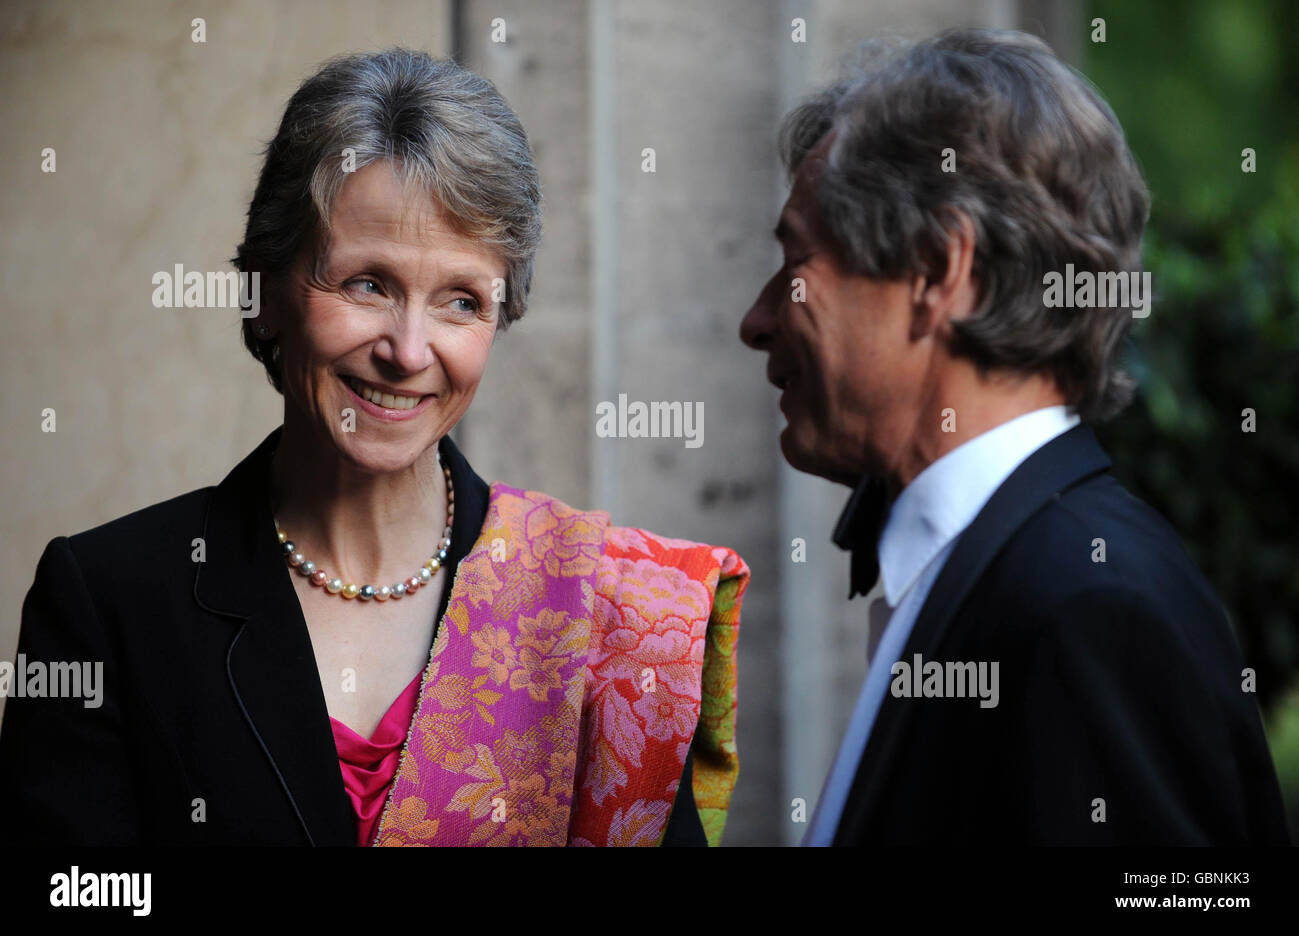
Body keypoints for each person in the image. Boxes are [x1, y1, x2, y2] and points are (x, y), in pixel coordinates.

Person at [0, 49, 748, 847]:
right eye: (367, 284)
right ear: (264, 294)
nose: (408, 351)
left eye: (461, 301)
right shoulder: (108, 601)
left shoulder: (610, 611)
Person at [740, 29, 1288, 845]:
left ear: (938, 271)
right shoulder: (1020, 574)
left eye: (796, 264)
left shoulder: (1091, 610)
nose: (757, 320)